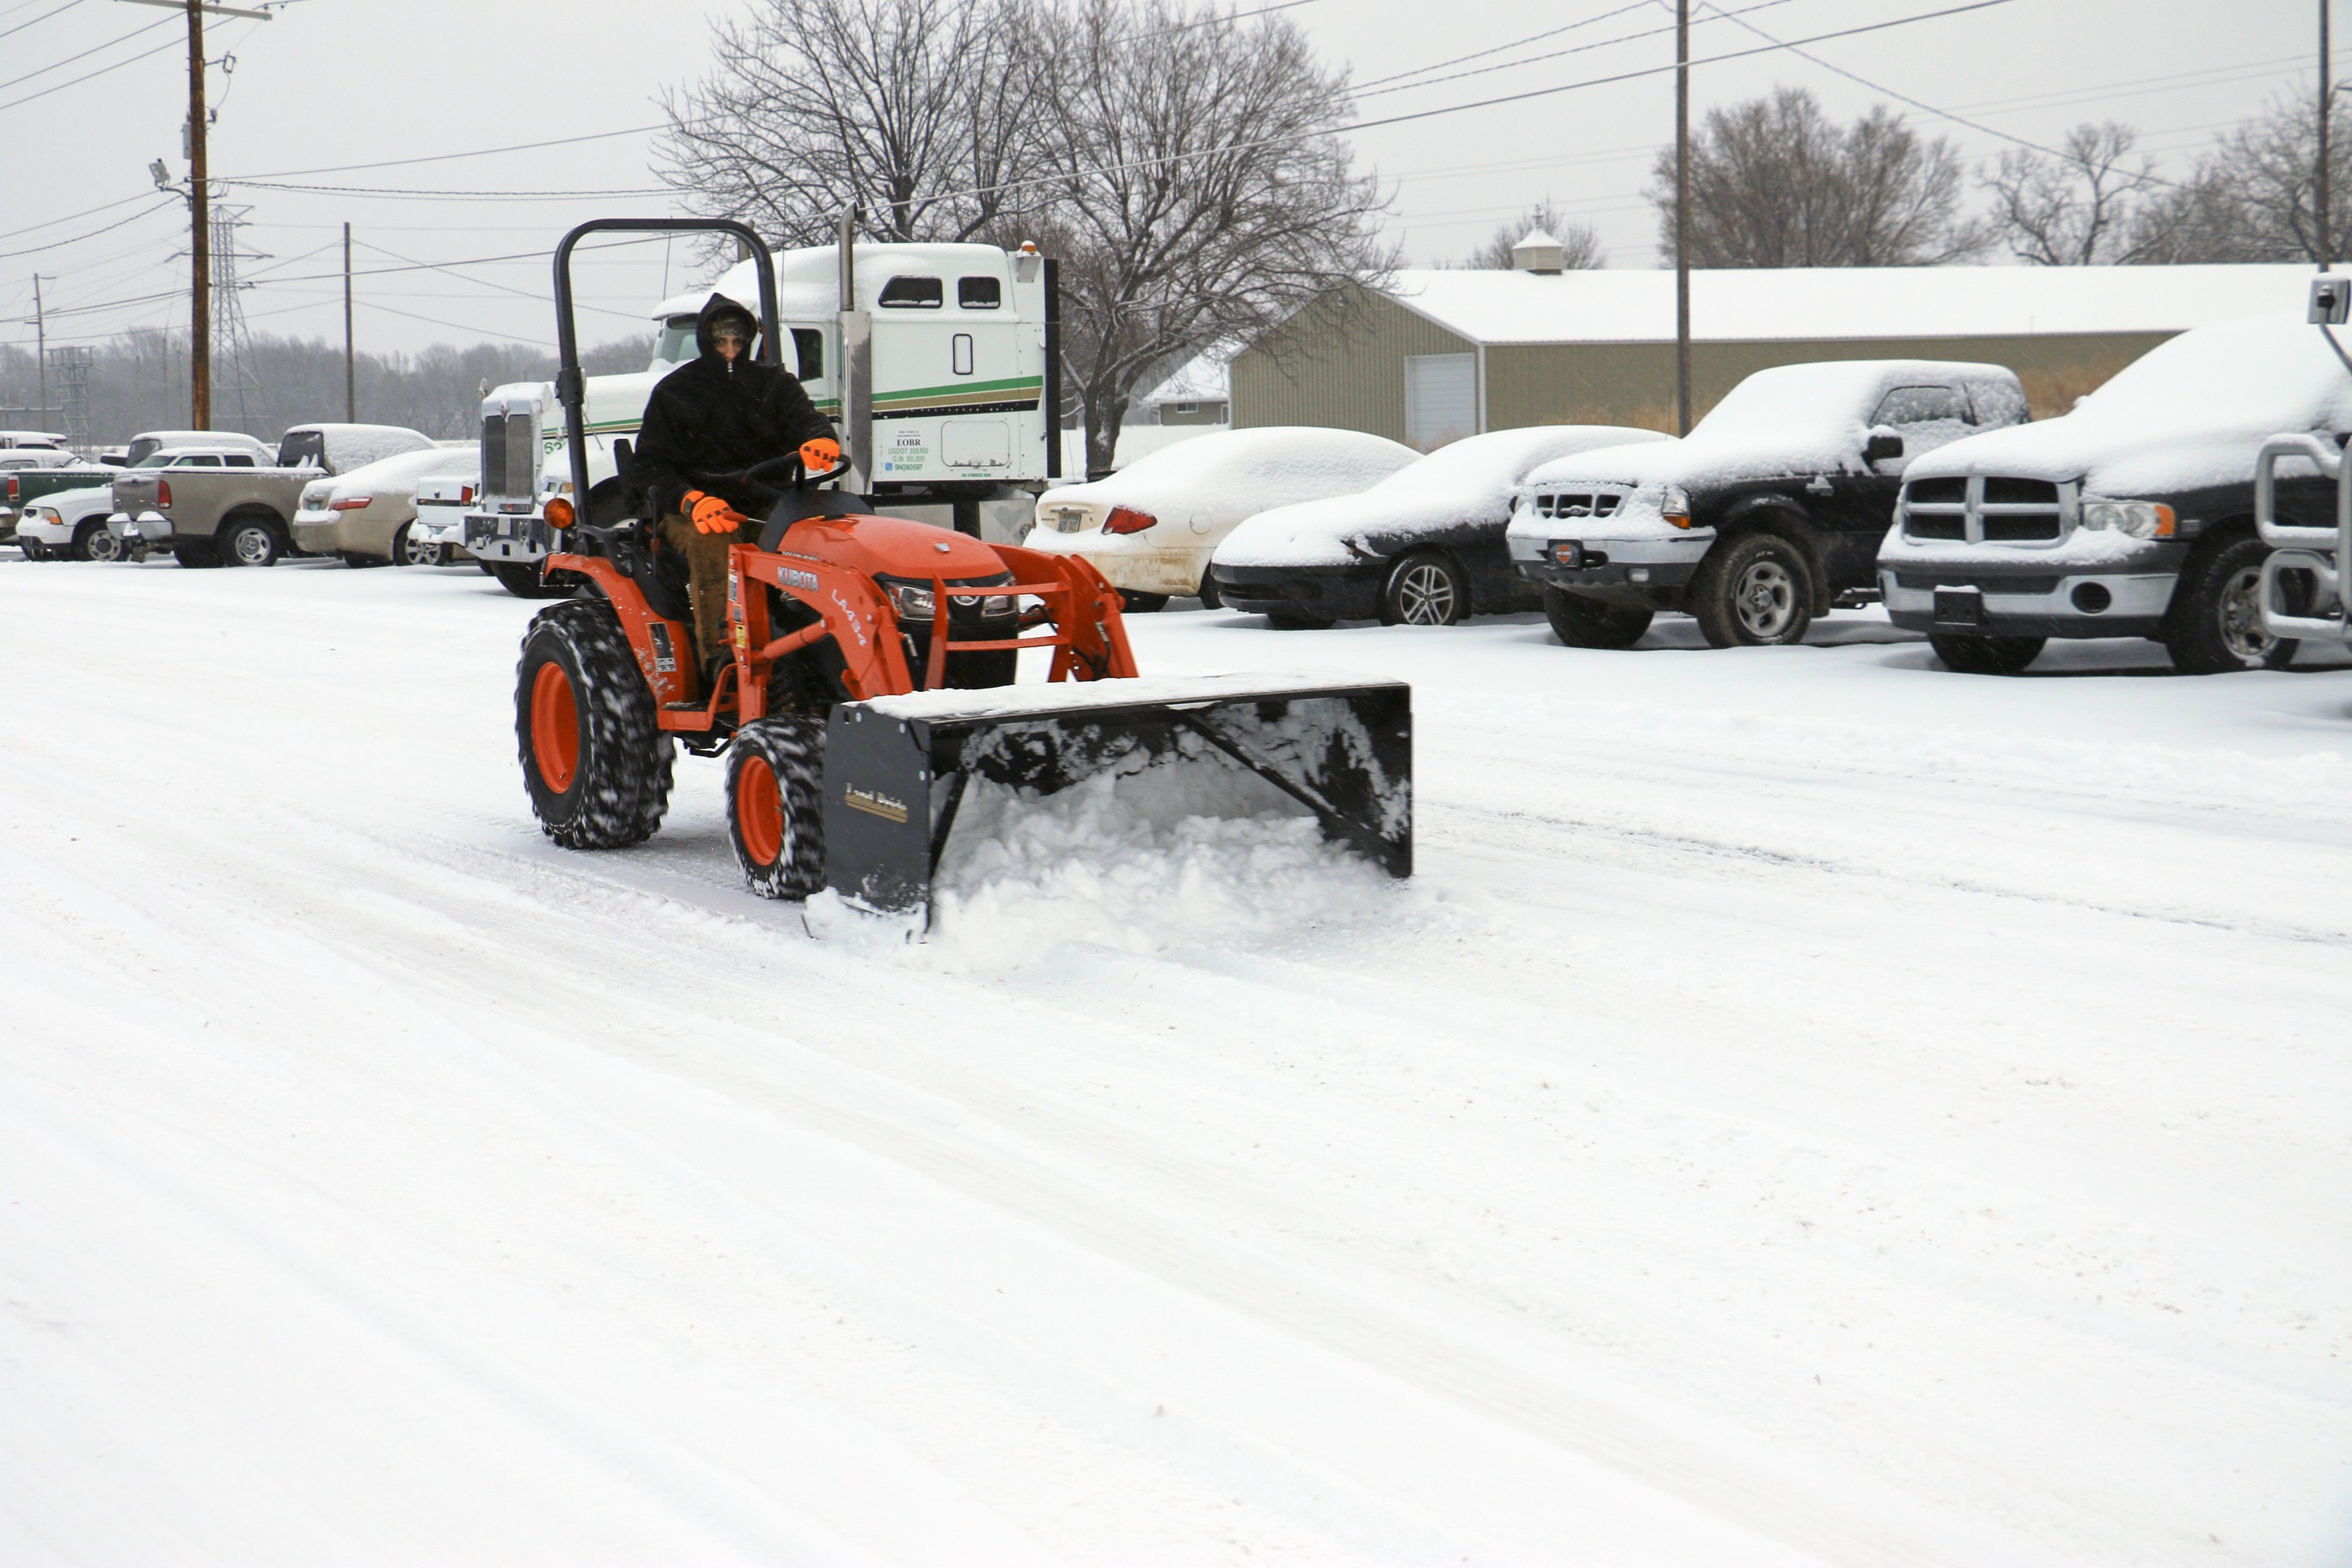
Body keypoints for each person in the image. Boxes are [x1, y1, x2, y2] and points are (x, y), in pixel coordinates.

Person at [632, 291, 840, 684]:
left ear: (749, 340)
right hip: (692, 510)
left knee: (817, 535)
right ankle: (722, 658)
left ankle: (820, 643)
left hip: (765, 501)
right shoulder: (676, 392)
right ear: (706, 340)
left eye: (737, 341)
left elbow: (806, 418)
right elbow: (650, 466)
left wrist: (820, 438)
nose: (729, 349)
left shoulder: (774, 384)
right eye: (721, 341)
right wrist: (690, 499)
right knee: (719, 540)